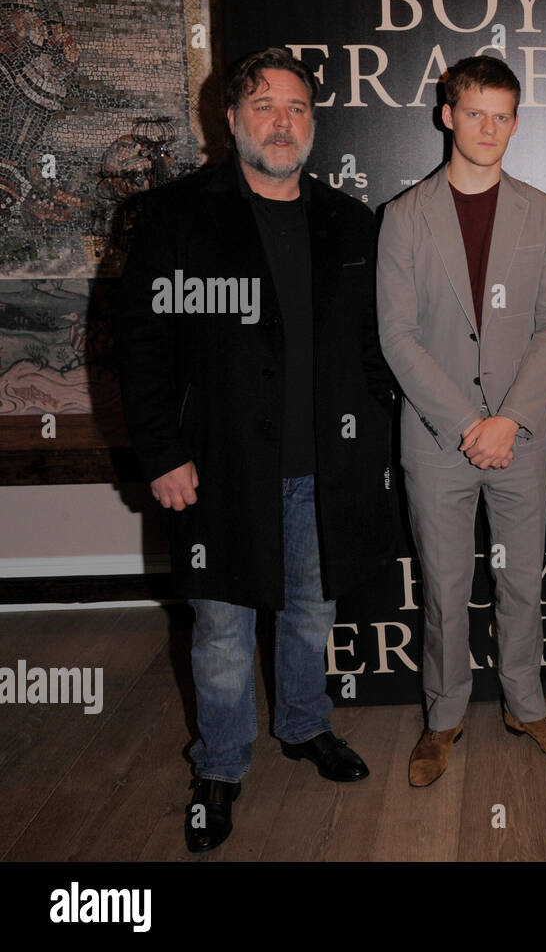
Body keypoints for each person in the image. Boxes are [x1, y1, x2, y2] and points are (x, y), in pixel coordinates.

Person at [115, 48, 397, 852]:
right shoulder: (174, 217)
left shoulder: (350, 221)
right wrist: (163, 454)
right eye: (265, 105)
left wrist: (380, 430)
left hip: (325, 467)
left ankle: (305, 727)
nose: (283, 121)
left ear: (315, 122)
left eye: (298, 107)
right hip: (218, 471)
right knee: (223, 633)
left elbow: (375, 347)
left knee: (312, 613)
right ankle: (221, 765)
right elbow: (141, 346)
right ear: (231, 119)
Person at [376, 55, 546, 787]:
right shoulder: (403, 217)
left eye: (503, 115)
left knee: (524, 581)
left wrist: (510, 420)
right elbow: (397, 337)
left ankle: (526, 705)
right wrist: (472, 421)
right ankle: (443, 716)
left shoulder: (540, 211)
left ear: (517, 122)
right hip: (438, 440)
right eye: (476, 113)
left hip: (522, 438)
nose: (490, 128)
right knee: (443, 586)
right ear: (446, 115)